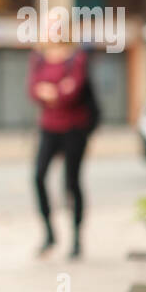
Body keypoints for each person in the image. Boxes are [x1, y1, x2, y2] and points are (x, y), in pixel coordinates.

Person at [27, 38, 96, 258]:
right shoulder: (38, 58)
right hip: (49, 127)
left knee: (71, 182)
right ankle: (49, 233)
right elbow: (32, 89)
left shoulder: (76, 57)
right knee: (38, 176)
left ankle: (76, 239)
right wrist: (55, 90)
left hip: (74, 128)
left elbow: (73, 91)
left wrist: (52, 92)